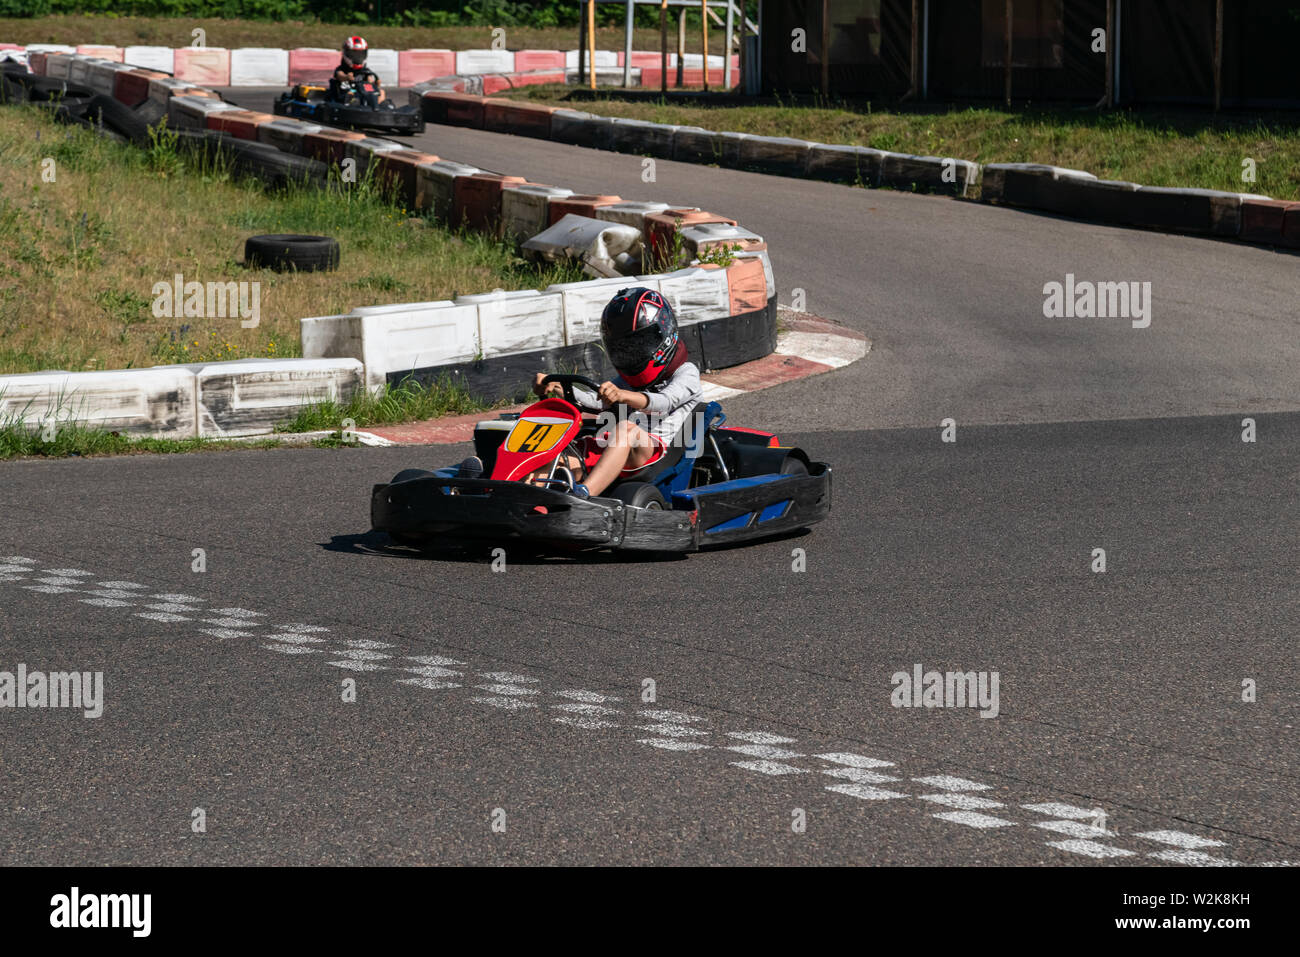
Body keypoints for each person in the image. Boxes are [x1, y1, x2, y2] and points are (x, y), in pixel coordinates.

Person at [458, 288, 701, 499]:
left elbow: (663, 402)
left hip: (655, 451)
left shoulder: (686, 373)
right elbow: (597, 400)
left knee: (626, 429)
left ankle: (583, 495)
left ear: (663, 337)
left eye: (637, 346)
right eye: (624, 349)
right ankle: (506, 491)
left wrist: (623, 396)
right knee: (563, 450)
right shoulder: (627, 382)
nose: (630, 355)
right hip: (612, 445)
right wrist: (560, 389)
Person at [330, 36, 385, 104]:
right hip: (345, 94)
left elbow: (372, 84)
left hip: (363, 94)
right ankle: (356, 106)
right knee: (351, 94)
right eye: (354, 54)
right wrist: (346, 77)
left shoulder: (366, 71)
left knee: (382, 92)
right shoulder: (342, 69)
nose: (358, 57)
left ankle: (377, 109)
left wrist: (375, 83)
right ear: (346, 53)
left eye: (360, 54)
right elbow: (339, 75)